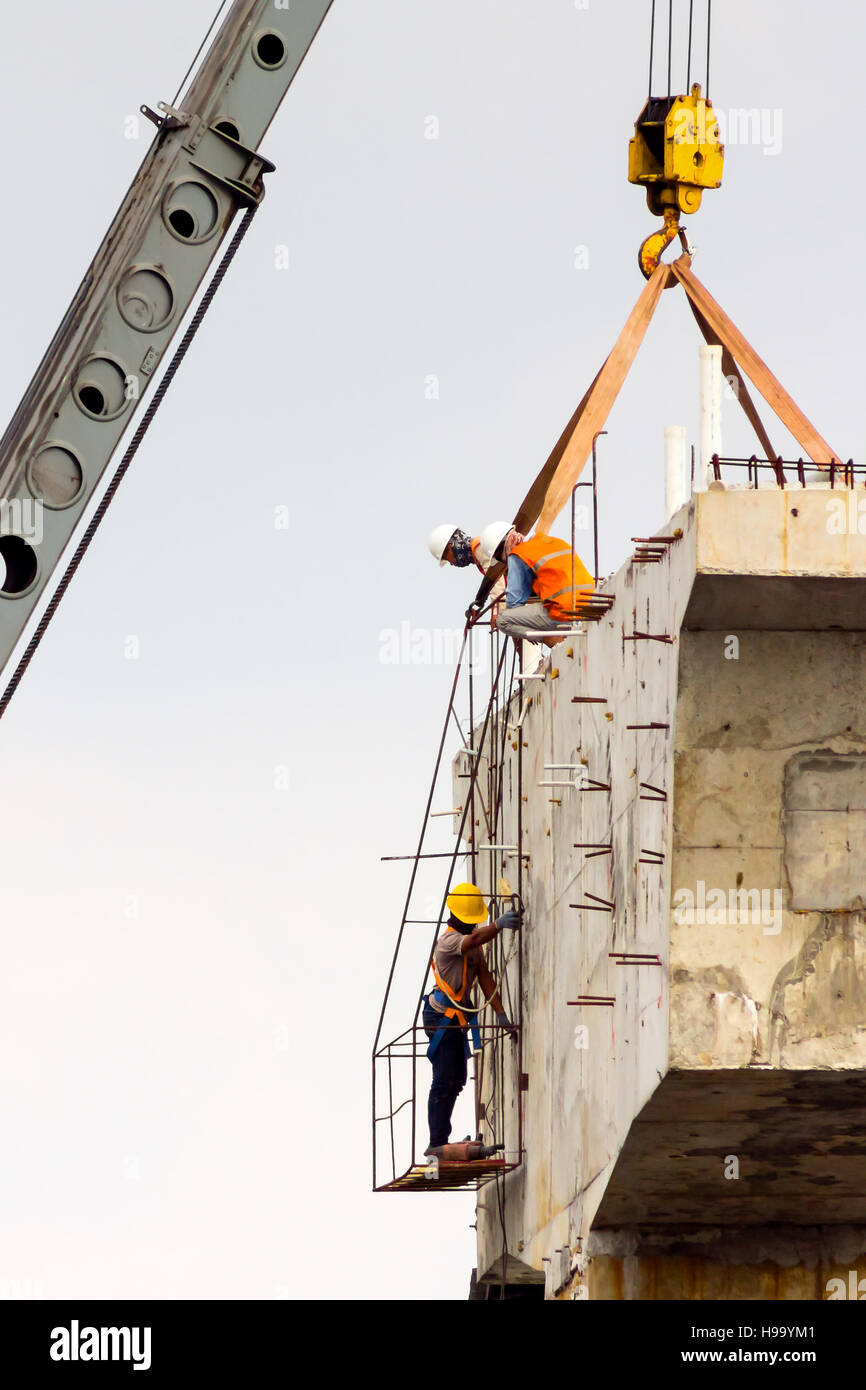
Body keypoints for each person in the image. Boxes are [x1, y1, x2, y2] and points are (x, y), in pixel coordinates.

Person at [423, 881, 521, 1156]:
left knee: (458, 1079)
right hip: (440, 1016)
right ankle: (436, 1143)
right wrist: (499, 925)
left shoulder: (474, 945)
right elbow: (475, 939)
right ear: (455, 917)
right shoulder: (450, 941)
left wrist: (501, 1013)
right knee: (444, 1078)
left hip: (458, 1019)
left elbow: (485, 978)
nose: (470, 925)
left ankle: (442, 1140)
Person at [478, 522, 594, 648]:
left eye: (500, 557)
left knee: (503, 620)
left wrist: (531, 633)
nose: (504, 561)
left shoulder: (517, 555)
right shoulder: (552, 541)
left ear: (504, 545)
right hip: (590, 601)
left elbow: (513, 604)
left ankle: (551, 640)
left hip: (564, 611)